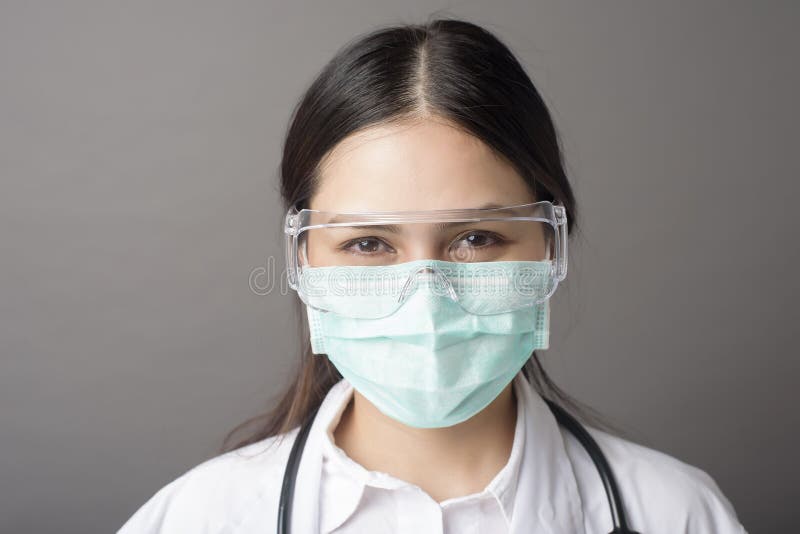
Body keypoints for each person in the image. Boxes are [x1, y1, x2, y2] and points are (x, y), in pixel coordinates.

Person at [118, 17, 747, 534]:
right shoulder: (195, 519)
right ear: (304, 260)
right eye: (368, 242)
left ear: (550, 249)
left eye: (476, 238)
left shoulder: (677, 514)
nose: (427, 301)